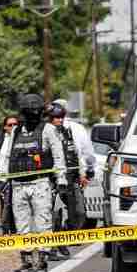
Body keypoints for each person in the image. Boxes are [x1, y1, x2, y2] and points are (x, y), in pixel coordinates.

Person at [0, 93, 70, 272]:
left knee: (43, 223)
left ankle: (41, 264)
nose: (32, 115)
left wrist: (62, 180)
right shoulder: (16, 131)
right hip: (17, 185)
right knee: (22, 225)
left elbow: (58, 155)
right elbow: (8, 156)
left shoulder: (48, 129)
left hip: (40, 183)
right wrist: (3, 180)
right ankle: (26, 263)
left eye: (35, 111)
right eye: (29, 112)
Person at [46, 100, 91, 258]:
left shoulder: (67, 132)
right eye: (55, 117)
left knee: (79, 213)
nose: (58, 120)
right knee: (54, 216)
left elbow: (77, 154)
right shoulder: (46, 135)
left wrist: (82, 173)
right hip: (54, 181)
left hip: (72, 179)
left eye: (61, 117)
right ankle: (54, 246)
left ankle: (63, 236)